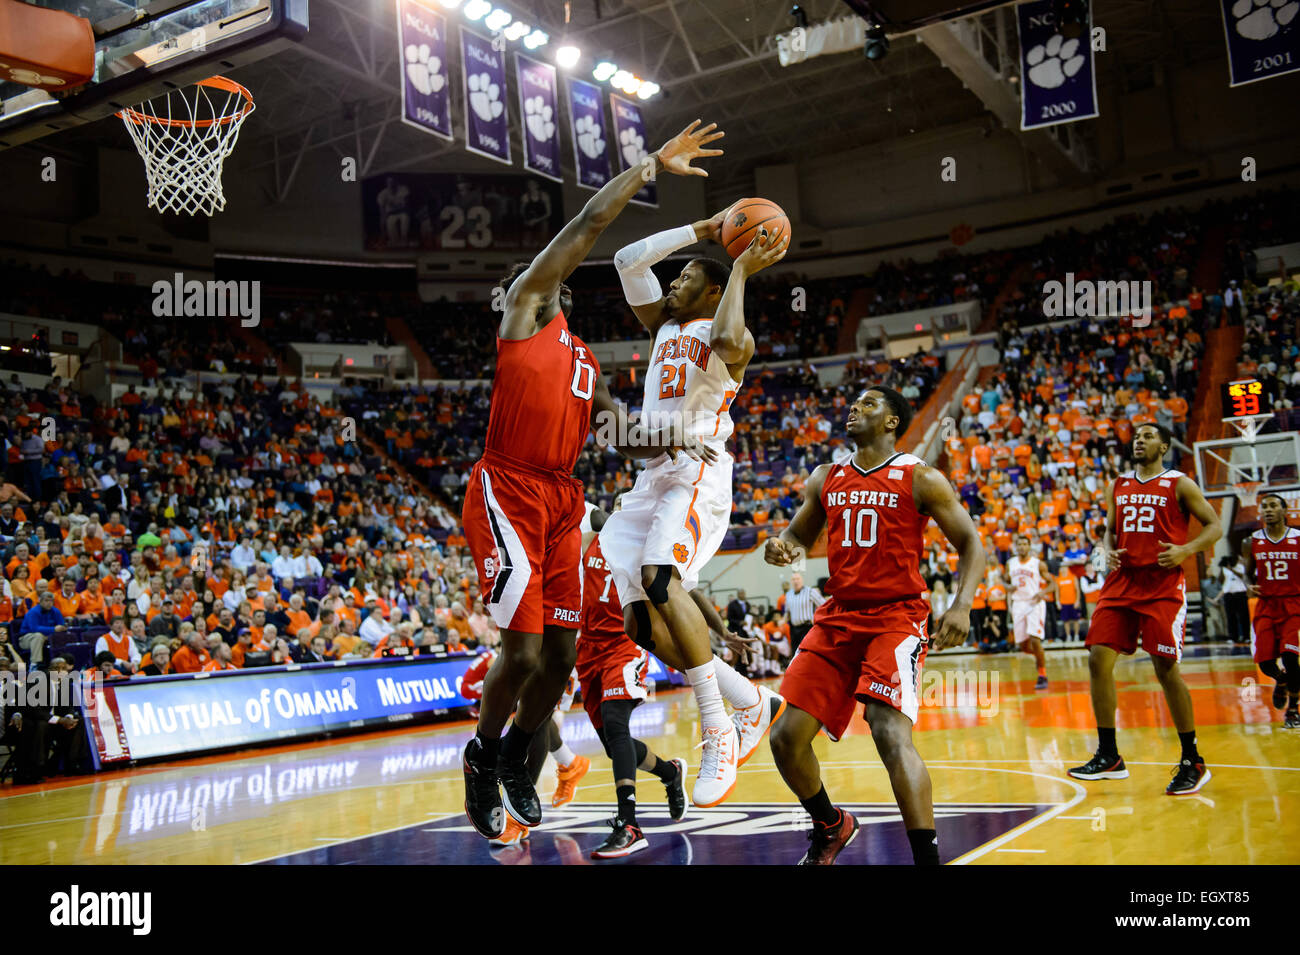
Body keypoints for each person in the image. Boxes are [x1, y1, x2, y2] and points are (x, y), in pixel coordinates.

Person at [460, 120, 725, 840]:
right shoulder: (525, 307)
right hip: (508, 485)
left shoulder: (585, 361)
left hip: (561, 498)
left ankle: (521, 751)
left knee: (564, 655)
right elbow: (588, 220)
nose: (538, 279)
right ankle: (483, 757)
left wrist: (686, 437)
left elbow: (620, 433)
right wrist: (649, 168)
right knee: (520, 650)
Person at [600, 210, 790, 807]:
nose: (672, 283)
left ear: (713, 290)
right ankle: (750, 701)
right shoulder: (663, 323)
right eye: (674, 277)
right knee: (637, 622)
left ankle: (717, 730)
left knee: (661, 578)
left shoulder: (729, 331)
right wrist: (702, 229)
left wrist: (738, 270)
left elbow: (732, 342)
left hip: (698, 469)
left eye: (685, 278)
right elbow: (627, 260)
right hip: (652, 473)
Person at [764, 387, 985, 864]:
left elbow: (971, 541)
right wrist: (781, 545)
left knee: (887, 730)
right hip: (839, 616)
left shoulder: (921, 478)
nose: (854, 407)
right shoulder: (826, 477)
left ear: (891, 422)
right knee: (785, 738)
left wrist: (962, 605)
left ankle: (926, 858)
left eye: (868, 404)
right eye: (854, 402)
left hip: (897, 616)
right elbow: (798, 535)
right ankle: (830, 825)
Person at [1068, 423, 1222, 795]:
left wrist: (1186, 550)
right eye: (1137, 436)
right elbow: (1108, 530)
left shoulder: (1179, 483)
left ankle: (1193, 760)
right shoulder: (1117, 485)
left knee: (1165, 669)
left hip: (1161, 586)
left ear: (1164, 446)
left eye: (1149, 435)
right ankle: (1110, 755)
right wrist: (1107, 551)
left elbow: (1214, 526)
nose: (1140, 440)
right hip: (1121, 584)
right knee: (1097, 658)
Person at [578, 501, 688, 858]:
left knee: (616, 724)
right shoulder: (591, 538)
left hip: (625, 644)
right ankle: (670, 773)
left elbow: (684, 592)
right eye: (619, 505)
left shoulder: (647, 548)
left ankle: (629, 823)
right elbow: (584, 511)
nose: (624, 511)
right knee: (614, 746)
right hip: (587, 649)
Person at [1243, 493, 1300, 727]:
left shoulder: (1298, 538)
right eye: (1264, 506)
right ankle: (1282, 680)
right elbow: (1248, 572)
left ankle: (1293, 711)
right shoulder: (1250, 542)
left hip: (1293, 604)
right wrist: (1249, 584)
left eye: (1273, 506)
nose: (1267, 510)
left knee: (1290, 657)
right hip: (1266, 605)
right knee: (1266, 663)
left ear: (1284, 511)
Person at [1006, 534, 1057, 690]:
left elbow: (1052, 584)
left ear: (1029, 547)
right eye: (1019, 544)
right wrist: (1008, 587)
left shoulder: (1038, 564)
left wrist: (1042, 593)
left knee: (1035, 640)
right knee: (1023, 646)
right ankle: (1040, 656)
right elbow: (1005, 581)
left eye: (1024, 544)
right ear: (1016, 547)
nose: (1021, 547)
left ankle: (1042, 675)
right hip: (1018, 604)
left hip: (1034, 603)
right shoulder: (1010, 563)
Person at [784, 570, 826, 655]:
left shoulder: (810, 591)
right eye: (793, 579)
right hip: (794, 628)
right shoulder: (788, 594)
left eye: (798, 579)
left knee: (806, 653)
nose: (796, 581)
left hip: (807, 627)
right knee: (795, 653)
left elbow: (823, 605)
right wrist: (782, 621)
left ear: (802, 580)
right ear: (791, 581)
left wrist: (816, 618)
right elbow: (787, 612)